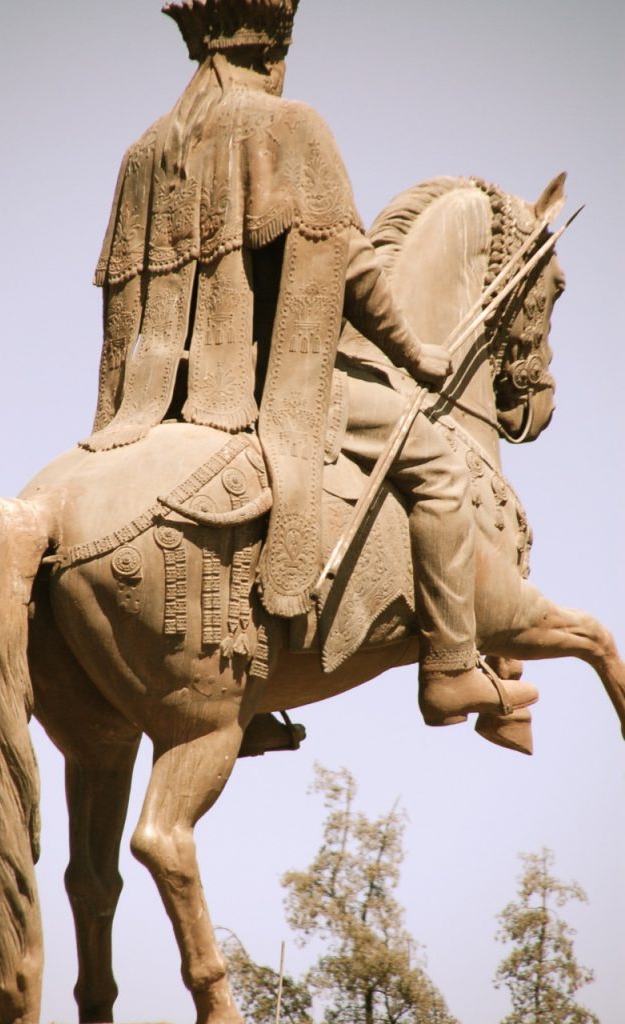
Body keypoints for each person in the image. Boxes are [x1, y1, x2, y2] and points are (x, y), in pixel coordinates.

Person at [85, 0, 537, 733]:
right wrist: (413, 352)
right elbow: (348, 263)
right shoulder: (290, 125)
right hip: (277, 382)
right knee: (441, 471)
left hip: (156, 400)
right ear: (271, 52)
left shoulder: (145, 153)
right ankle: (453, 667)